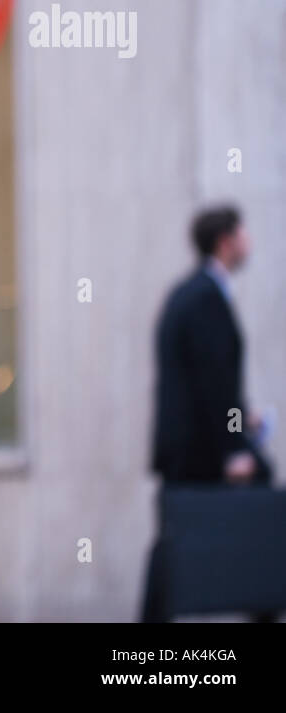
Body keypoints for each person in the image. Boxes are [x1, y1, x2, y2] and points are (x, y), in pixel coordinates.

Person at [141, 206, 274, 621]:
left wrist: (242, 420)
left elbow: (207, 383)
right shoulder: (205, 298)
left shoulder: (193, 293)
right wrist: (234, 448)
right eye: (242, 234)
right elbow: (214, 383)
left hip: (190, 446)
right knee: (257, 519)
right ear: (225, 241)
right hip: (197, 450)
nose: (248, 242)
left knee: (175, 538)